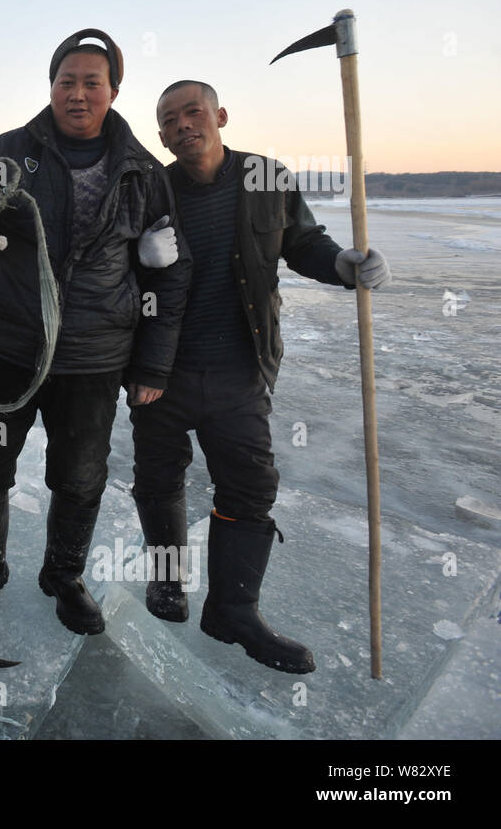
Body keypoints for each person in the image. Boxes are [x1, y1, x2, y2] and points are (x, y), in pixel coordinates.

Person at [128, 80, 390, 674]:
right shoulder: (152, 187)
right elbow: (114, 263)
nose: (182, 125)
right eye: (168, 119)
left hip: (239, 370)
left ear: (219, 114)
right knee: (158, 480)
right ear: (161, 133)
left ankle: (233, 610)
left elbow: (304, 243)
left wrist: (344, 266)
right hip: (159, 372)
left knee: (248, 489)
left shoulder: (263, 176)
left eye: (193, 112)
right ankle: (168, 582)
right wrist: (138, 259)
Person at [0, 29, 192, 635]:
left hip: (94, 355)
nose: (77, 94)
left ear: (114, 91)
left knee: (81, 476)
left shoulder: (143, 172)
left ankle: (64, 576)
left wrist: (153, 365)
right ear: (50, 87)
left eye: (92, 82)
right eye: (66, 81)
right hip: (8, 347)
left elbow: (167, 277)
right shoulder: (6, 151)